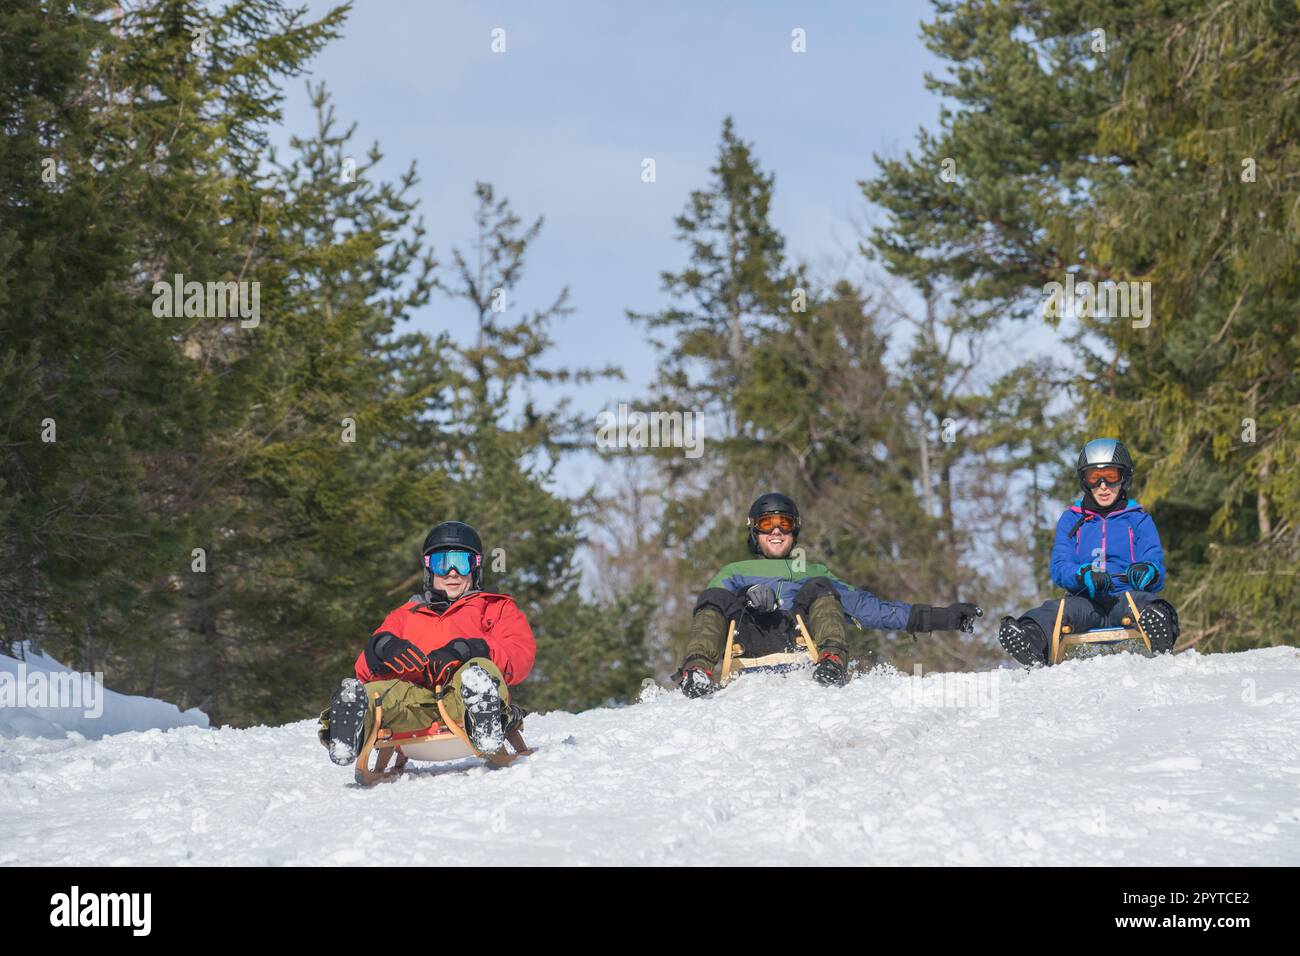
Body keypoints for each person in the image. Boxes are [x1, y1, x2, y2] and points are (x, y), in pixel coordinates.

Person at [674, 492, 982, 694]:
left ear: (795, 530)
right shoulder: (733, 571)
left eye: (785, 523)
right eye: (768, 524)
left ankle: (832, 659)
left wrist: (945, 618)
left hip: (798, 635)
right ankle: (697, 670)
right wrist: (744, 597)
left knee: (821, 589)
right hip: (748, 636)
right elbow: (711, 612)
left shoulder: (814, 572)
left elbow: (870, 609)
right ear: (755, 532)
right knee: (712, 597)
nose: (777, 531)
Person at [321, 520, 536, 764]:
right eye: (441, 563)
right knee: (376, 692)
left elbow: (520, 654)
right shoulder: (405, 614)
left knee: (476, 670)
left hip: (464, 703)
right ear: (429, 569)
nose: (452, 572)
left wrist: (469, 649)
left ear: (475, 568)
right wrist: (381, 648)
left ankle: (484, 723)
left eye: (461, 562)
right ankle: (349, 730)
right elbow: (362, 670)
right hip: (414, 706)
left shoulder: (495, 607)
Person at [998, 438, 1179, 666]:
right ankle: (1029, 639)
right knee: (1054, 610)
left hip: (1126, 596)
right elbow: (1060, 565)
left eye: (1111, 476)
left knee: (1151, 604)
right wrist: (1082, 575)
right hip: (1085, 601)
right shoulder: (1072, 519)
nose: (1103, 486)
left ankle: (1160, 633)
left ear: (1124, 477)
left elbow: (1154, 561)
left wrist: (1147, 571)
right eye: (1095, 477)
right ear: (1085, 481)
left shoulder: (1139, 518)